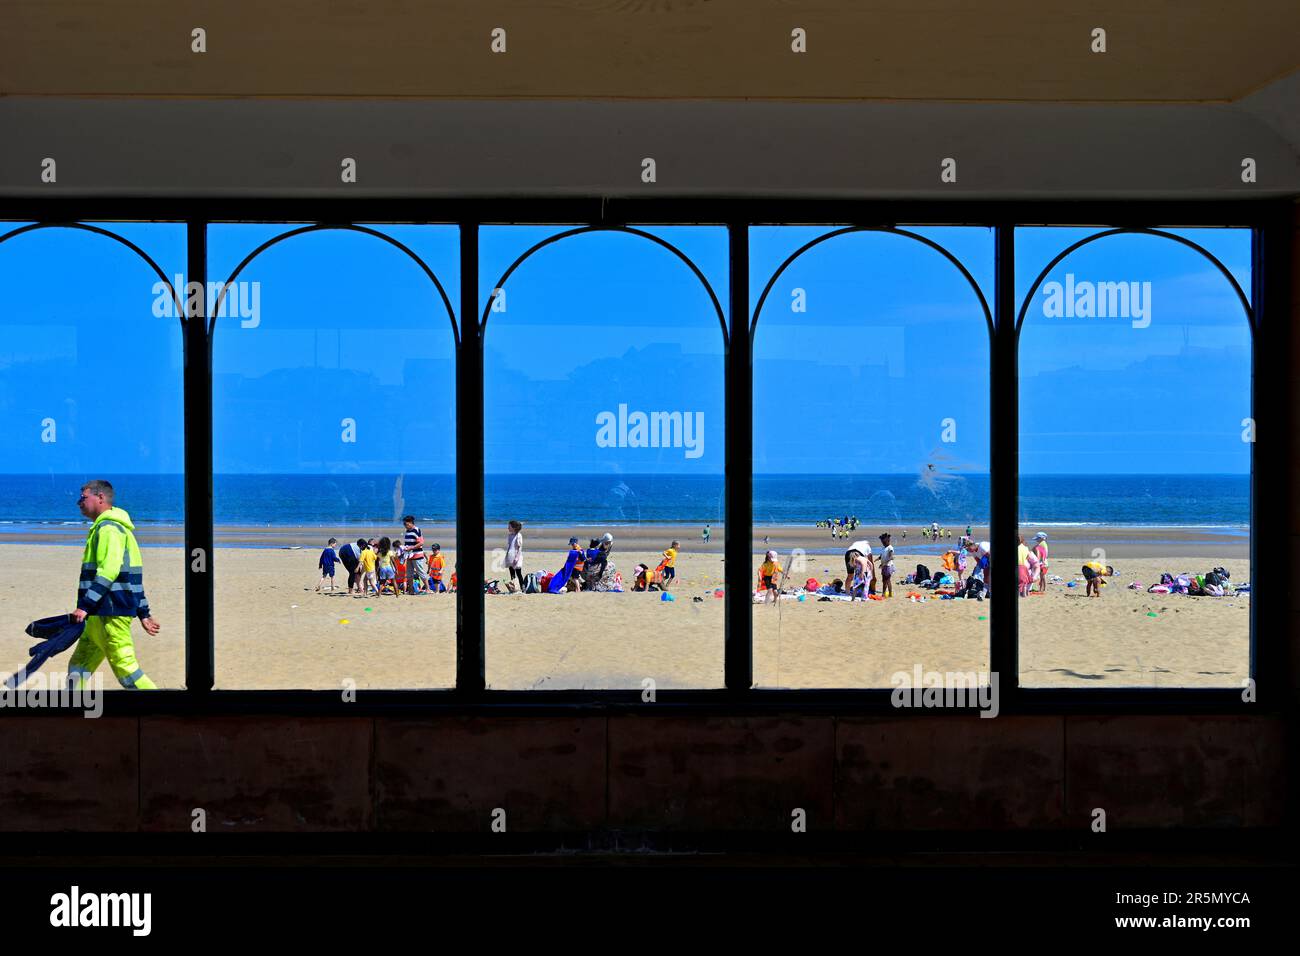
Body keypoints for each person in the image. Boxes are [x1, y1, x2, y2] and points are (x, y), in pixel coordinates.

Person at [66, 479, 161, 690]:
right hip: (97, 617)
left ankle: (164, 712)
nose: (78, 503)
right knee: (78, 667)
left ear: (100, 497)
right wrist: (143, 612)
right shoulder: (113, 528)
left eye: (83, 498)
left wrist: (84, 606)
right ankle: (72, 711)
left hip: (109, 614)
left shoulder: (109, 529)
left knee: (126, 670)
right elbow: (132, 579)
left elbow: (109, 571)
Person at [402, 515, 428, 594]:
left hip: (417, 555)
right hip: (409, 555)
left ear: (410, 523)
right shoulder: (407, 531)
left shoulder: (417, 530)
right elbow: (408, 543)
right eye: (404, 524)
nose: (405, 526)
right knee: (409, 574)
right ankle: (411, 590)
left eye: (406, 524)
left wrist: (411, 548)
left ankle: (428, 588)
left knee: (420, 572)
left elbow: (421, 542)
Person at [505, 520, 525, 593]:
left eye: (509, 527)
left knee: (519, 573)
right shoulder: (509, 536)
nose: (508, 528)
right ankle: (514, 589)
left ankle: (523, 589)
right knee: (512, 574)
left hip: (517, 557)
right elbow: (509, 546)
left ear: (514, 528)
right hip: (510, 557)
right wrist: (507, 556)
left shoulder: (518, 535)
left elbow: (520, 548)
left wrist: (517, 557)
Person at [878, 533, 895, 598]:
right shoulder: (884, 547)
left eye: (884, 542)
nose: (883, 543)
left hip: (888, 566)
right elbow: (882, 555)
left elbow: (890, 557)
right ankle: (883, 593)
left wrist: (883, 563)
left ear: (888, 541)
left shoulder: (890, 548)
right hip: (884, 566)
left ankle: (890, 593)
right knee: (884, 580)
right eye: (882, 542)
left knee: (887, 580)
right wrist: (878, 558)